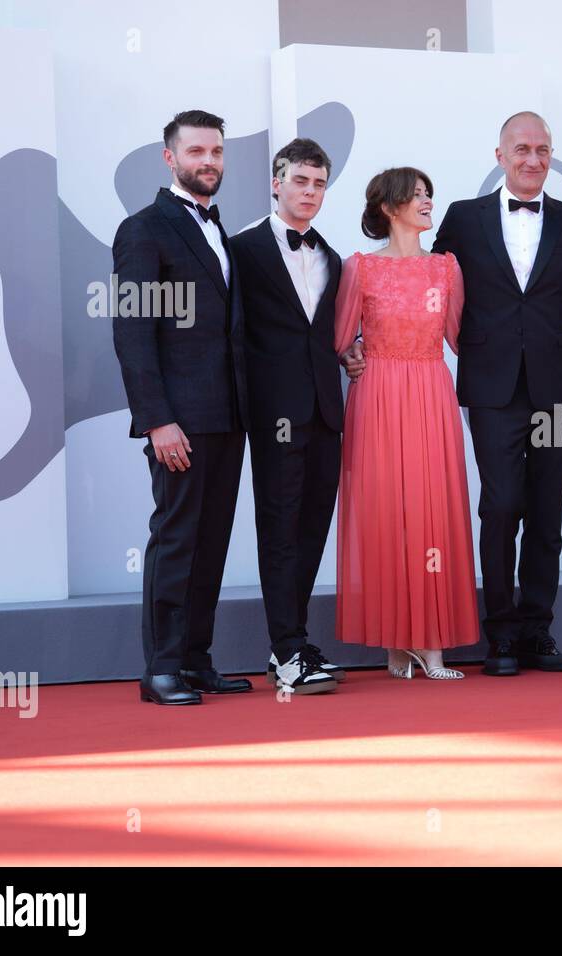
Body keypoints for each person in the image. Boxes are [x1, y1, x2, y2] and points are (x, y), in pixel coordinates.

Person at [432, 111, 562, 677]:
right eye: (523, 149)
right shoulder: (462, 218)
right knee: (502, 504)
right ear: (500, 154)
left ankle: (537, 630)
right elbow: (426, 284)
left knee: (547, 512)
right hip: (491, 387)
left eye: (544, 150)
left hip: (558, 391)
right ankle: (500, 635)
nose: (534, 160)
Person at [112, 109, 251, 704]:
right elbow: (133, 332)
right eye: (196, 152)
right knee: (176, 538)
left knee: (212, 540)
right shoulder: (144, 228)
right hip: (179, 421)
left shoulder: (220, 229)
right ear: (170, 158)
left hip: (228, 416)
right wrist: (157, 419)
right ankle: (161, 668)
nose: (209, 162)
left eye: (216, 152)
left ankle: (196, 660)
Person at [333, 168, 478, 679]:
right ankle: (397, 643)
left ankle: (432, 643)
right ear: (389, 207)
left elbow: (464, 339)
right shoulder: (360, 268)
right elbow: (338, 337)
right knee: (385, 513)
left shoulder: (447, 269)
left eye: (428, 193)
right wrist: (352, 354)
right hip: (376, 397)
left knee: (431, 510)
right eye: (415, 195)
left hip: (430, 392)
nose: (427, 201)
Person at [231, 138, 344, 695]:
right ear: (276, 183)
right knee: (278, 529)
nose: (310, 192)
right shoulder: (242, 250)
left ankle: (291, 644)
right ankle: (287, 649)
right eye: (300, 181)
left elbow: (325, 334)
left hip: (327, 411)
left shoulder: (333, 256)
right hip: (273, 413)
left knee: (312, 529)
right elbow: (231, 336)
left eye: (319, 183)